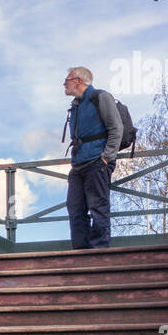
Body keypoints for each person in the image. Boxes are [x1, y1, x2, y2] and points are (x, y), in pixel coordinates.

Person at [63, 66, 122, 249]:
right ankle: (80, 251)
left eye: (67, 80)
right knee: (75, 208)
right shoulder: (75, 106)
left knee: (98, 207)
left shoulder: (101, 97)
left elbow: (116, 128)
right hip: (78, 164)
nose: (64, 84)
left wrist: (106, 157)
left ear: (79, 81)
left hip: (97, 161)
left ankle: (99, 252)